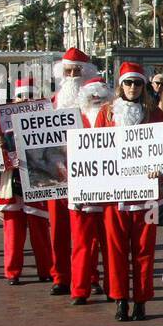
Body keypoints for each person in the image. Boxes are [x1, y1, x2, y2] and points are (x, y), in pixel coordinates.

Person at [97, 62, 163, 321]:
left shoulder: (155, 115)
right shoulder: (106, 114)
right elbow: (94, 153)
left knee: (144, 251)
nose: (133, 88)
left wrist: (160, 170)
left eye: (138, 83)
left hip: (146, 198)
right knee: (114, 252)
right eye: (128, 83)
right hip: (114, 198)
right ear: (120, 85)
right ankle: (120, 300)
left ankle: (140, 301)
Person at [46, 48, 98, 296]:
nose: (73, 75)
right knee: (58, 228)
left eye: (78, 70)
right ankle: (61, 276)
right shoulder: (52, 103)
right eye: (69, 70)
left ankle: (89, 275)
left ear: (86, 72)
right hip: (57, 174)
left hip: (88, 173)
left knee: (87, 230)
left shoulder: (96, 104)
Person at [0, 78, 55, 285]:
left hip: (38, 179)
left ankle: (46, 269)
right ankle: (12, 272)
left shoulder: (45, 119)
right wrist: (0, 145)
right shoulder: (2, 123)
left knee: (39, 230)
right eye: (21, 96)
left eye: (29, 96)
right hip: (13, 181)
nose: (24, 100)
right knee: (13, 231)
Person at [69, 77, 114, 306]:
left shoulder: (116, 119)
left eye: (101, 97)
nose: (96, 100)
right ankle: (79, 289)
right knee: (81, 243)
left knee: (110, 244)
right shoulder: (73, 119)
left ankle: (113, 288)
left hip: (109, 194)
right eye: (92, 96)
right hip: (81, 192)